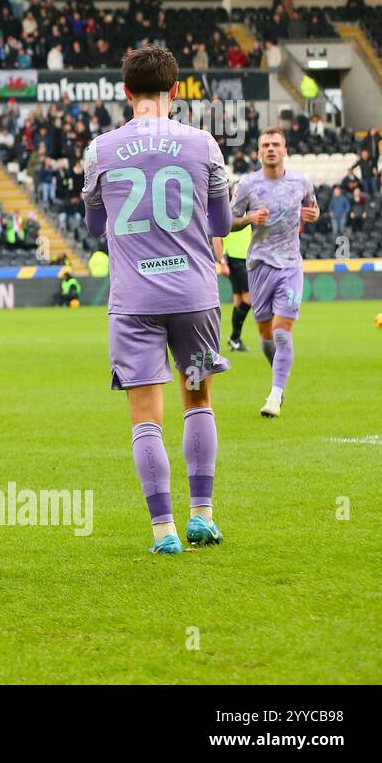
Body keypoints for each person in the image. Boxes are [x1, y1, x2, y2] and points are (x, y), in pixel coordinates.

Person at [83, 44, 233, 554]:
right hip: (193, 298)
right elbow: (223, 224)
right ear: (176, 90)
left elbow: (95, 225)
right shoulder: (203, 144)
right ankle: (202, 515)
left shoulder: (100, 149)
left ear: (126, 93)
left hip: (135, 301)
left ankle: (162, 530)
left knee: (146, 417)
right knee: (197, 399)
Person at [230, 128, 319, 417]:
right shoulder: (247, 185)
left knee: (282, 334)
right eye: (265, 145)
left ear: (285, 150)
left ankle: (274, 395)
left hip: (291, 265)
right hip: (259, 265)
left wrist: (313, 215)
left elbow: (312, 208)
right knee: (266, 336)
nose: (271, 149)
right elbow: (227, 222)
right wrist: (249, 219)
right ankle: (278, 376)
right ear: (258, 152)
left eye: (276, 145)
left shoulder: (301, 182)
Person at [212, 220, 253, 351]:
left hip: (247, 258)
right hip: (235, 258)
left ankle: (235, 340)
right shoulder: (229, 208)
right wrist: (222, 261)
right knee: (249, 298)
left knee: (239, 299)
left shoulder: (248, 208)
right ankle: (235, 338)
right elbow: (216, 236)